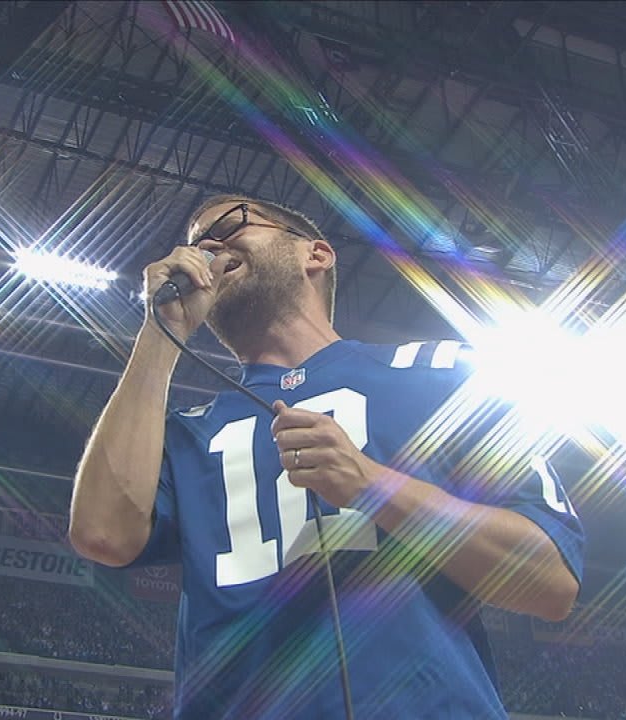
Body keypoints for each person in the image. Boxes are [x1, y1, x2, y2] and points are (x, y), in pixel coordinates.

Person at [69, 194, 585, 719]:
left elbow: (550, 583)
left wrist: (372, 485)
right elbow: (101, 534)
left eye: (229, 225)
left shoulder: (446, 371)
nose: (206, 247)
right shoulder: (190, 432)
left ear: (315, 254)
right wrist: (162, 333)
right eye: (199, 242)